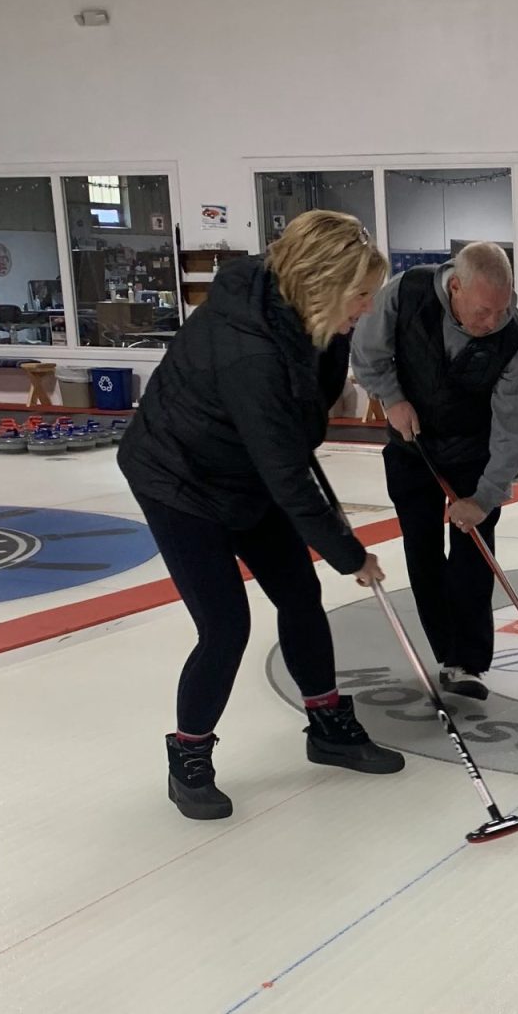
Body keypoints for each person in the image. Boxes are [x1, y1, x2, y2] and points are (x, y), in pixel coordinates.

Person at [118, 210, 404, 822]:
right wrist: (350, 552)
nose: (364, 310)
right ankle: (189, 755)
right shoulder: (248, 348)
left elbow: (299, 421)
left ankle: (327, 725)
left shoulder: (307, 314)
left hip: (244, 469)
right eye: (359, 298)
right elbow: (285, 474)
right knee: (225, 625)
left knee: (299, 594)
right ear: (323, 284)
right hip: (180, 481)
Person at [351, 242, 518, 701]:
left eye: (502, 309)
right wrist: (391, 399)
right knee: (423, 550)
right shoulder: (406, 294)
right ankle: (445, 651)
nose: (492, 321)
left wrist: (485, 497)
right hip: (411, 446)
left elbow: (514, 427)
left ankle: (468, 663)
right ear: (455, 286)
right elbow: (367, 352)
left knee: (473, 556)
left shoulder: (511, 338)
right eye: (483, 310)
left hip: (474, 455)